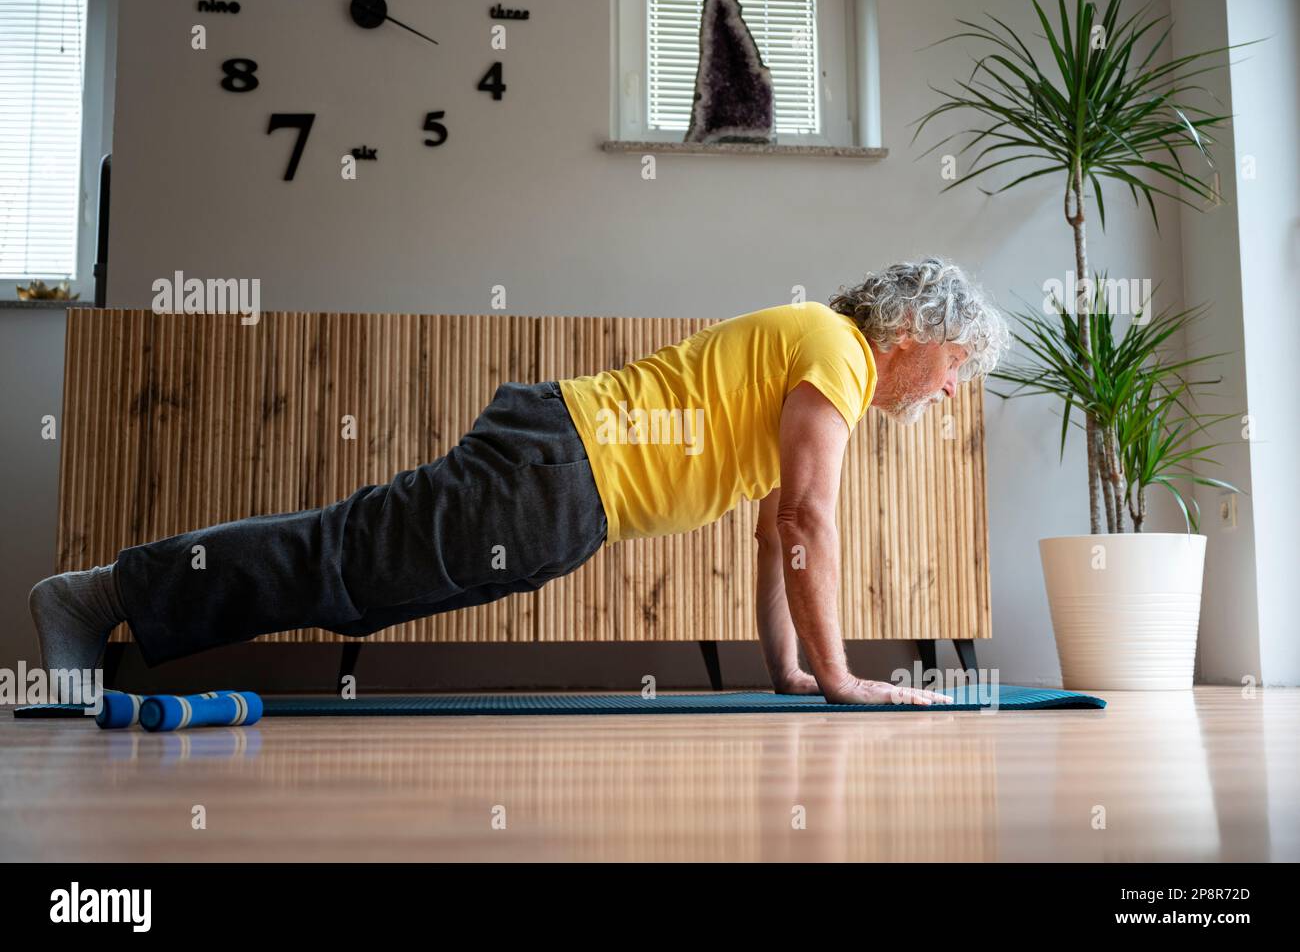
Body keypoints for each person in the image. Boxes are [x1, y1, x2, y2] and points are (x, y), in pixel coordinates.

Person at [30, 257, 1009, 706]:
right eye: (958, 363)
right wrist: (841, 680)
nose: (954, 387)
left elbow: (773, 534)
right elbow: (807, 518)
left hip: (561, 488)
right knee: (342, 561)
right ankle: (96, 596)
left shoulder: (816, 357)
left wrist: (793, 669)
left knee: (357, 584)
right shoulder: (836, 352)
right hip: (558, 469)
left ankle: (113, 599)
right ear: (913, 335)